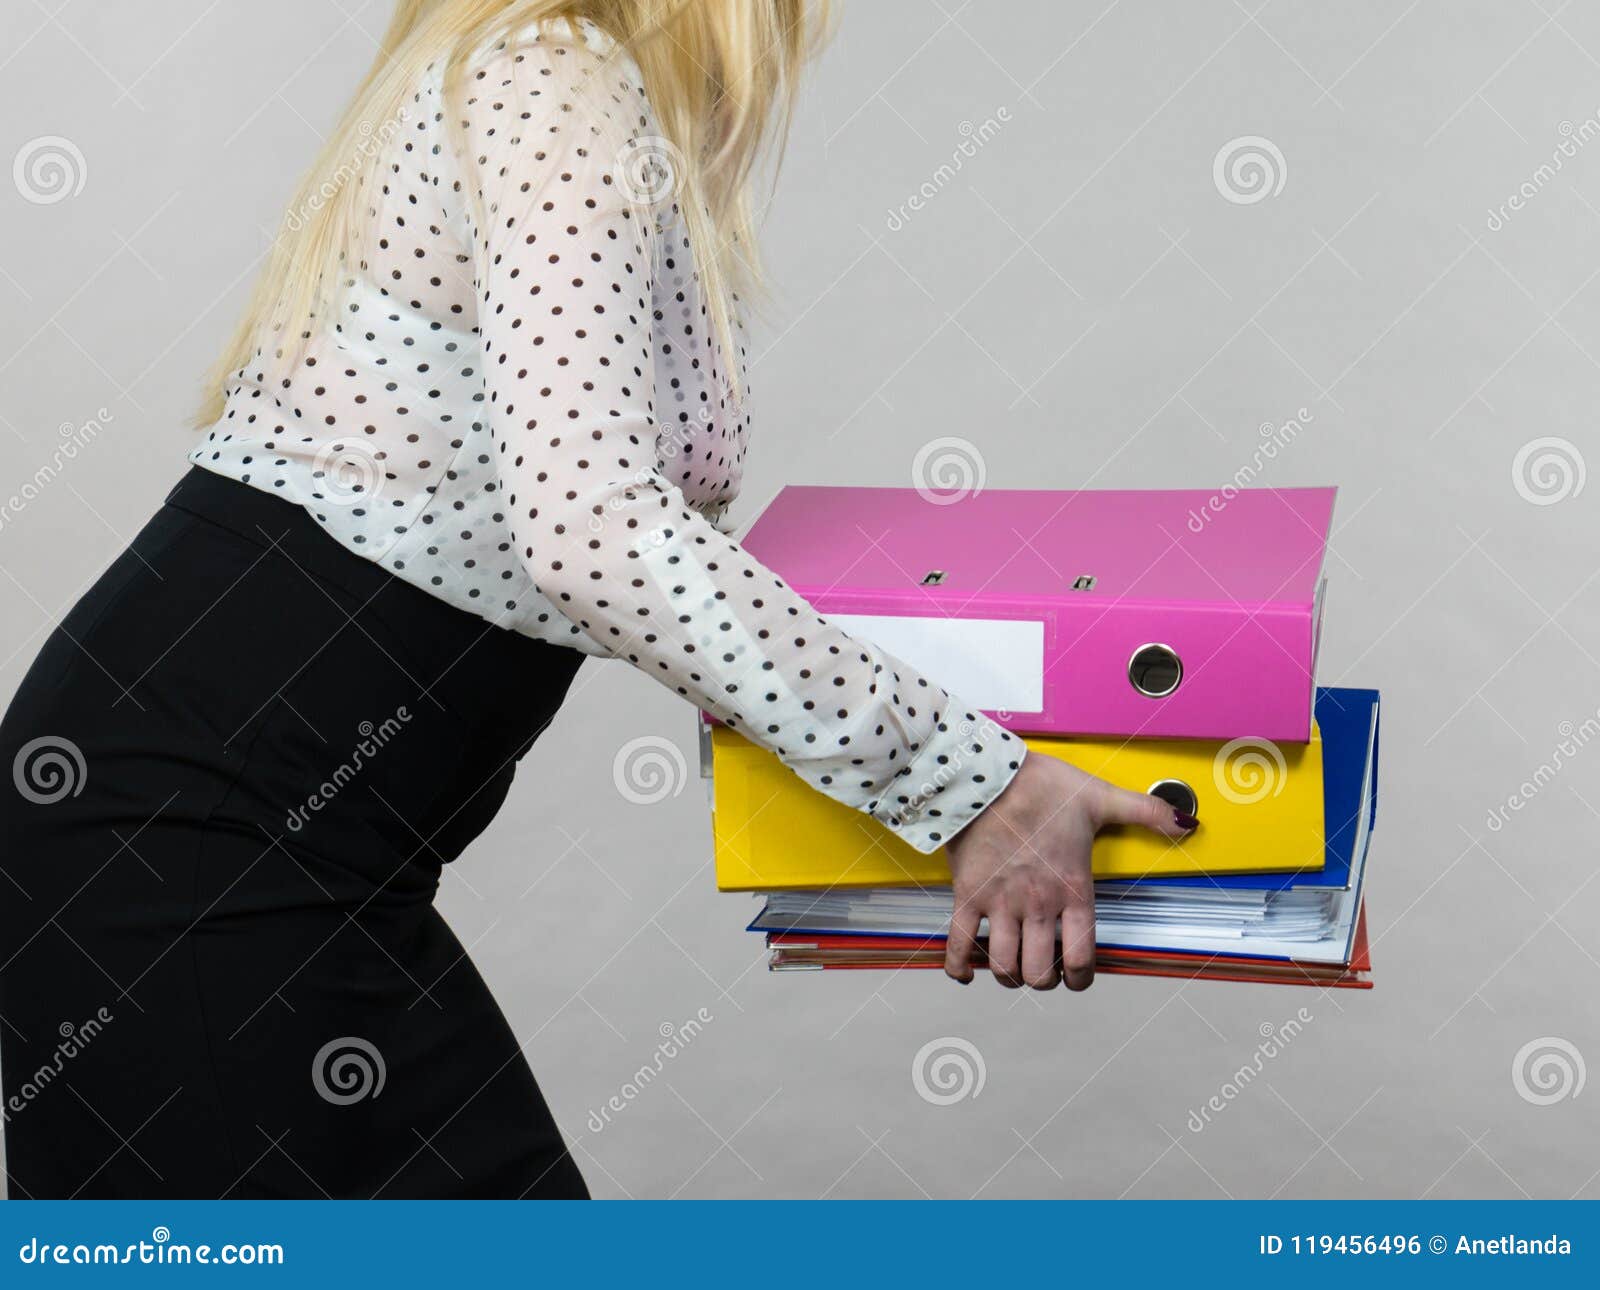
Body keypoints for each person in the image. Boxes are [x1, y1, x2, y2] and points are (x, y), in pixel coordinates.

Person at [0, 0, 1194, 1200]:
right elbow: (599, 534)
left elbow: (624, 557)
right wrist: (971, 778)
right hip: (192, 853)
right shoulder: (549, 79)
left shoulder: (554, 79)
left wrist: (941, 761)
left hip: (273, 851)